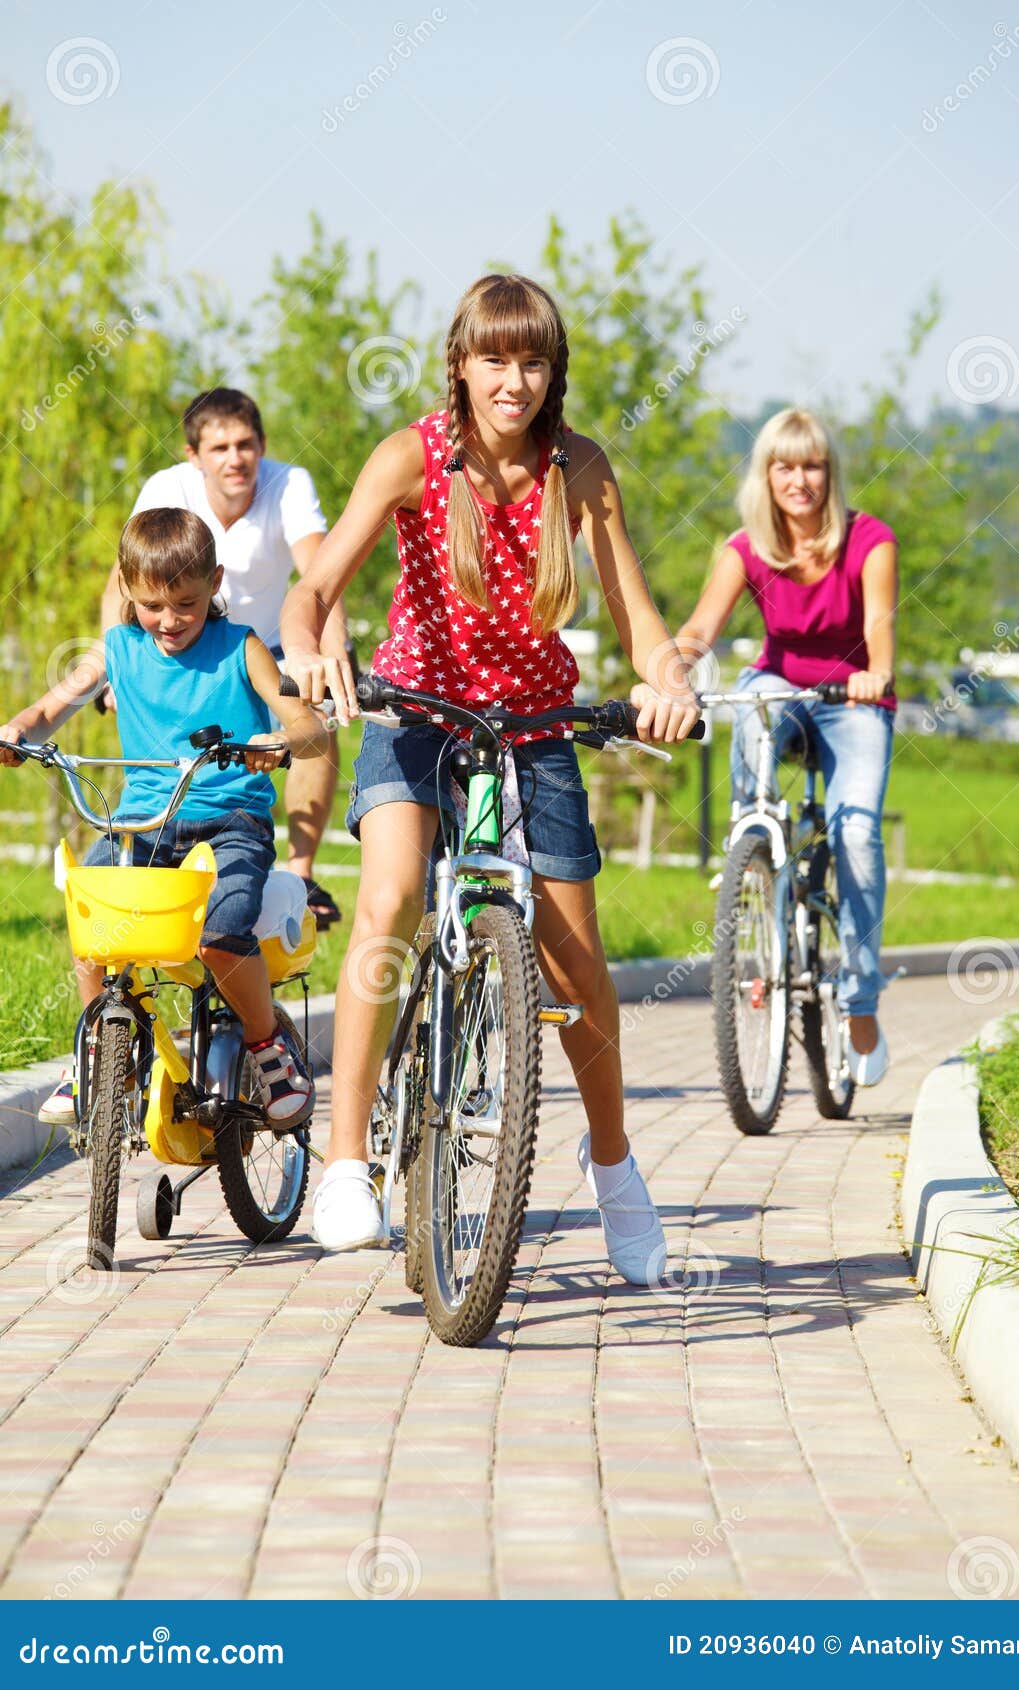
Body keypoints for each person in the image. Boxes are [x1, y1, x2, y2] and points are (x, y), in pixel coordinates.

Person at [280, 272, 700, 1275]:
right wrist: (307, 648)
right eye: (494, 359)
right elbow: (313, 590)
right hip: (413, 710)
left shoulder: (579, 470)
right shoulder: (409, 457)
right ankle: (346, 1164)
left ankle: (612, 1169)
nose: (512, 381)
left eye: (532, 361)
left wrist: (668, 681)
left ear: (550, 372)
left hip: (537, 721)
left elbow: (642, 624)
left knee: (576, 971)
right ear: (459, 363)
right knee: (385, 899)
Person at [1, 508, 330, 1126]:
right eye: (153, 604)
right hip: (143, 826)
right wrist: (19, 731)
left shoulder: (242, 647)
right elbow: (55, 706)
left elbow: (306, 726)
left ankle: (268, 1045)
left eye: (186, 602)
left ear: (215, 582)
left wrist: (282, 742)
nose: (170, 619)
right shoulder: (119, 649)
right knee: (91, 924)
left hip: (230, 820)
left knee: (222, 934)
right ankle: (100, 1051)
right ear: (126, 589)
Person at [637, 407, 897, 1087]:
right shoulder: (745, 547)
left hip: (852, 698)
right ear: (766, 475)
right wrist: (670, 675)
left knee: (858, 835)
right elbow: (699, 627)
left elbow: (878, 628)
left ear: (829, 473)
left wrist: (874, 675)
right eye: (784, 466)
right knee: (752, 710)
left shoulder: (869, 540)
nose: (799, 479)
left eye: (811, 465)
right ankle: (749, 843)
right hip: (781, 683)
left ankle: (860, 1001)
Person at [99, 388, 346, 931]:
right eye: (220, 448)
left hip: (278, 640)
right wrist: (115, 676)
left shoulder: (289, 485)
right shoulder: (165, 488)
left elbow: (322, 579)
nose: (235, 459)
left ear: (262, 446)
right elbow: (128, 580)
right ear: (193, 455)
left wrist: (330, 659)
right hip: (187, 632)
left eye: (246, 445)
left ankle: (301, 871)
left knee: (314, 719)